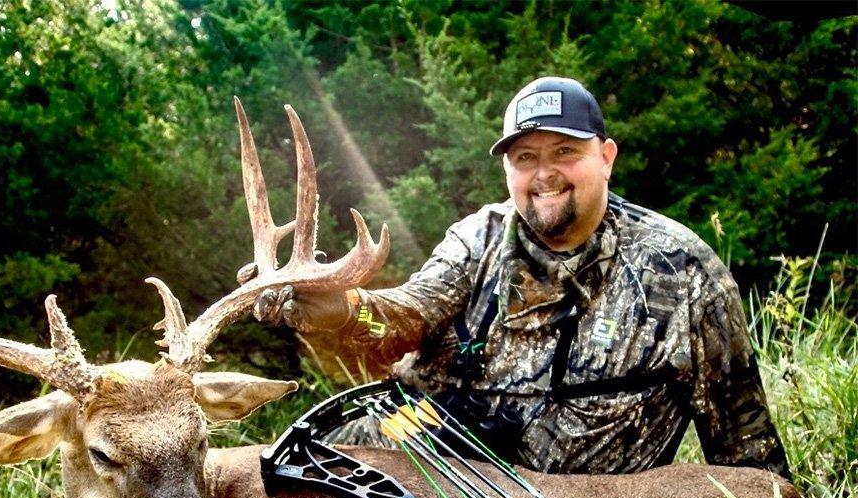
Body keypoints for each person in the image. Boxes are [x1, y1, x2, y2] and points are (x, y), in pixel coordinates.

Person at [254, 76, 789, 476]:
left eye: (565, 152)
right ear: (507, 169)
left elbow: (745, 448)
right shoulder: (477, 240)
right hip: (431, 470)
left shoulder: (682, 272)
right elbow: (410, 317)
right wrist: (346, 310)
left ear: (606, 157)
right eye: (525, 157)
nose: (544, 173)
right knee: (283, 478)